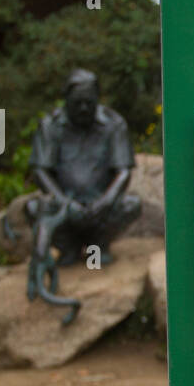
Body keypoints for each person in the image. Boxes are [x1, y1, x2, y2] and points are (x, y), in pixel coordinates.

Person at [25, 68, 142, 267]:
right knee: (33, 208)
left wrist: (104, 203)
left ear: (97, 99)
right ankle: (68, 247)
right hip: (65, 205)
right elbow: (40, 171)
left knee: (131, 205)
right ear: (66, 100)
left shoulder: (114, 124)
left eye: (89, 102)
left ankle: (96, 248)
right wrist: (65, 203)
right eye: (77, 103)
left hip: (100, 205)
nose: (84, 108)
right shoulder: (50, 125)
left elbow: (123, 172)